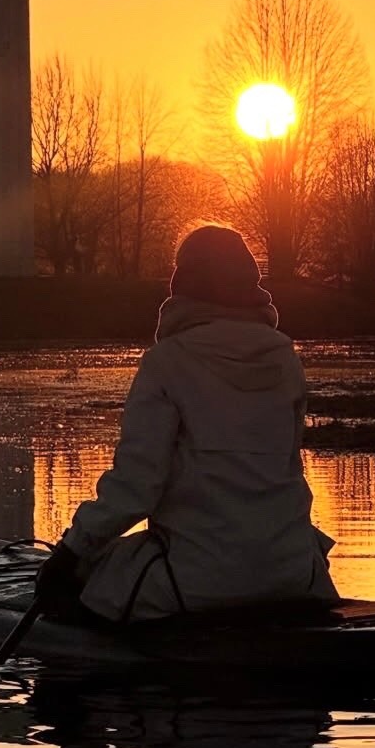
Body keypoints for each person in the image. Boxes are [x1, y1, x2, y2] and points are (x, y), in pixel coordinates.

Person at [36, 223, 339, 622]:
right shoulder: (287, 359)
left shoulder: (166, 363)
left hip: (191, 586)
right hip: (294, 576)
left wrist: (72, 552)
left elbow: (134, 488)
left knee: (89, 581)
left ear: (182, 285)